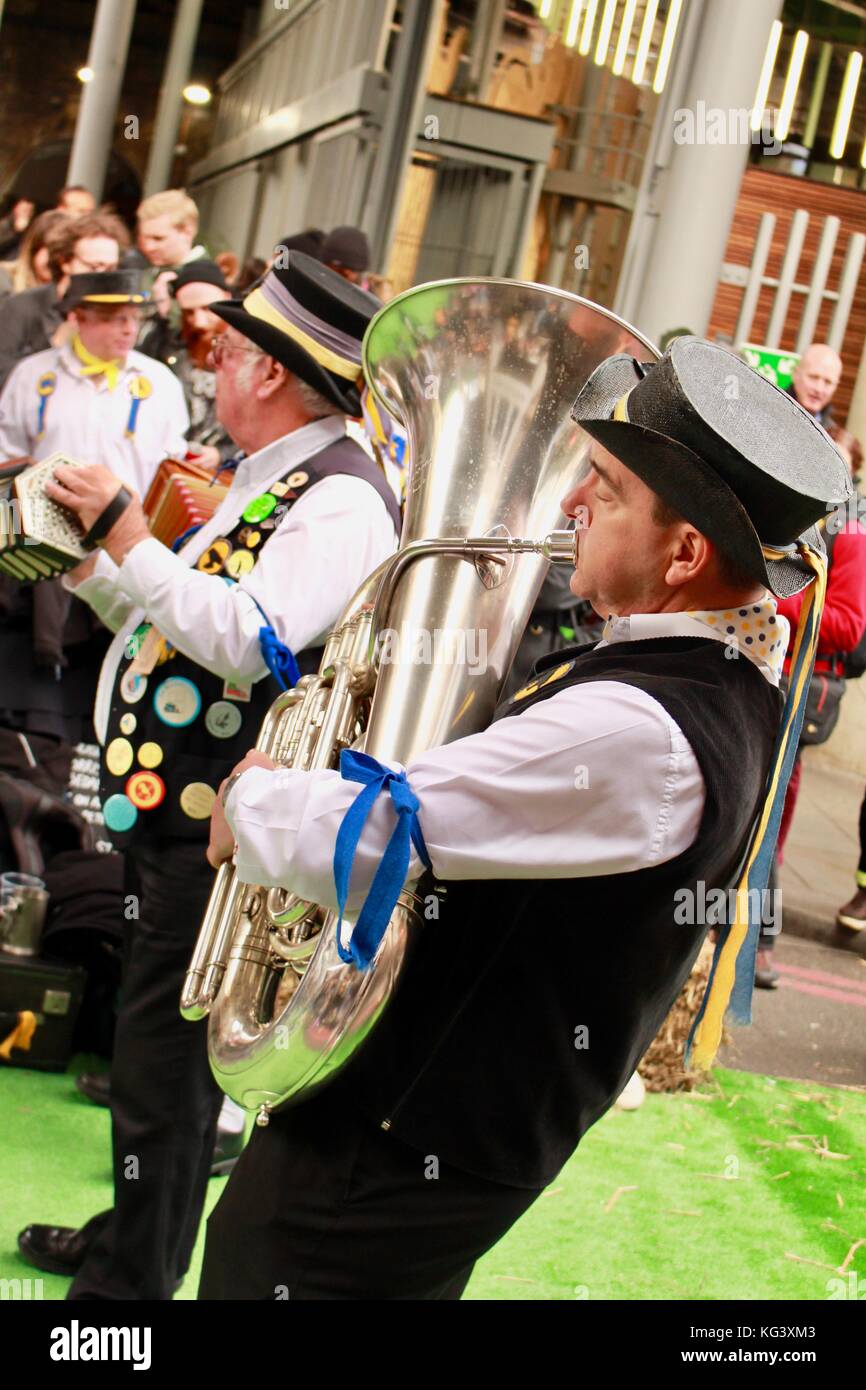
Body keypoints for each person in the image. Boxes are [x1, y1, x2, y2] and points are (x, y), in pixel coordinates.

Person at [197, 335, 850, 1300]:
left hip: (405, 1137)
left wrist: (250, 800)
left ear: (685, 553)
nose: (572, 503)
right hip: (429, 1130)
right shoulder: (694, 674)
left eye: (606, 487)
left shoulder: (642, 725)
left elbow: (383, 838)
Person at [16, 253, 401, 1300]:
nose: (212, 366)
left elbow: (248, 640)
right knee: (151, 1072)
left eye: (223, 349)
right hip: (173, 807)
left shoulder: (342, 501)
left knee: (161, 1081)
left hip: (213, 828)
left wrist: (127, 533)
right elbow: (179, 619)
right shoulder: (275, 472)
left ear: (271, 372)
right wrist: (91, 566)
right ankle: (125, 1242)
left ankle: (125, 1295)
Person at [765, 428, 866, 975]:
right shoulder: (781, 511)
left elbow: (848, 626)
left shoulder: (849, 535)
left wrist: (778, 597)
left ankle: (758, 948)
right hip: (755, 673)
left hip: (798, 687)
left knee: (771, 812)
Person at [0, 270, 188, 497]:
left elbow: (171, 467)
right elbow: (7, 454)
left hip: (127, 526)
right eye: (116, 319)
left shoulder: (160, 382)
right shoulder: (32, 374)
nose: (130, 329)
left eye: (135, 318)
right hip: (43, 525)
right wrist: (11, 526)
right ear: (78, 318)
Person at [0, 211, 128, 389]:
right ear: (65, 262)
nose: (103, 276)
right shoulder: (21, 306)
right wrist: (53, 347)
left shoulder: (117, 312)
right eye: (94, 266)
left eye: (111, 268)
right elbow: (3, 375)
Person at [163, 260, 234, 468]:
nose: (199, 322)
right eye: (189, 312)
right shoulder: (170, 350)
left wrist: (223, 454)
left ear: (227, 299)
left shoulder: (250, 355)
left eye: (207, 309)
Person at [136, 190, 207, 364]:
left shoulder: (208, 280)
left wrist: (166, 312)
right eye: (144, 237)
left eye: (158, 238)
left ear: (187, 232)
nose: (148, 246)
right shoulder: (147, 273)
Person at [0, 209, 69, 298]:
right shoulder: (4, 279)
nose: (57, 260)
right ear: (33, 249)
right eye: (52, 249)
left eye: (64, 252)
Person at [788, 344, 842, 426]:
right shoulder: (768, 413)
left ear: (835, 387)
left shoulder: (831, 436)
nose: (819, 389)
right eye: (813, 377)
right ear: (795, 374)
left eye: (828, 382)